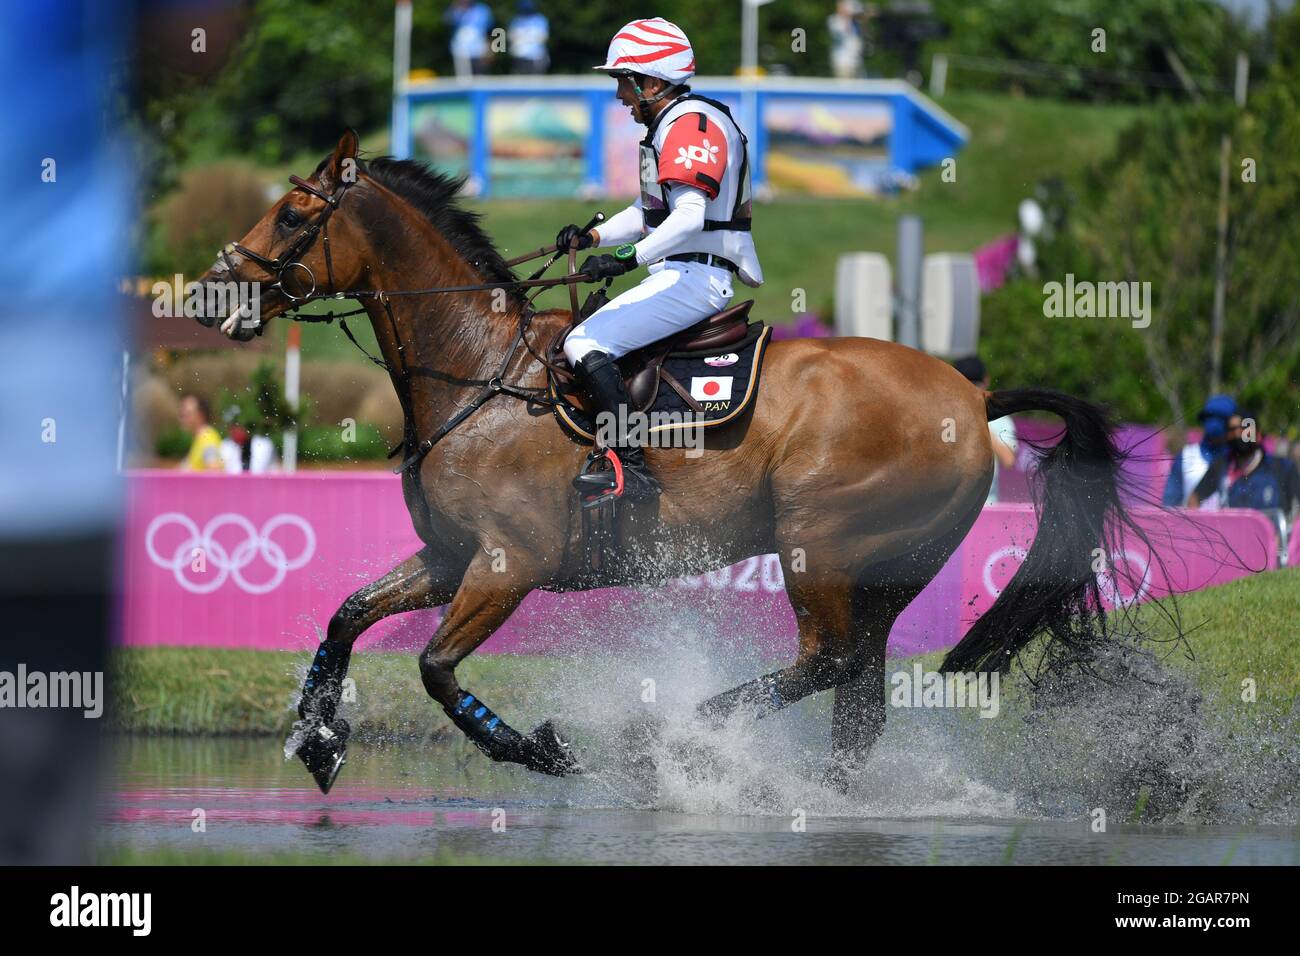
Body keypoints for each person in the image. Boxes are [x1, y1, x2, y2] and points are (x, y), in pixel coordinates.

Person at [556, 17, 763, 500]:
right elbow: (648, 213)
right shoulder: (671, 124)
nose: (620, 97)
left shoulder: (692, 124)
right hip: (681, 271)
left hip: (698, 278)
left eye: (623, 84)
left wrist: (628, 258)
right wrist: (592, 238)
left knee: (584, 343)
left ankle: (628, 467)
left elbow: (688, 216)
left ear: (651, 82)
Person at [1188, 412, 1300, 516]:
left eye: (1245, 429)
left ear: (1258, 434)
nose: (1238, 434)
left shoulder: (1282, 467)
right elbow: (1194, 498)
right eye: (1232, 430)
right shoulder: (1221, 466)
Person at [952, 356, 1016, 505]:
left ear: (986, 381)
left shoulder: (1000, 419)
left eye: (976, 385)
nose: (972, 392)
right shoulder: (946, 418)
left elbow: (1009, 460)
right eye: (966, 385)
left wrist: (978, 423)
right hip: (952, 507)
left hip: (987, 506)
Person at [1162, 394, 1236, 507]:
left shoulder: (1237, 459)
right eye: (1210, 418)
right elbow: (1169, 505)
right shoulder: (1186, 456)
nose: (1214, 424)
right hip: (1192, 523)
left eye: (1220, 419)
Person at [444, 0, 493, 78]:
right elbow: (447, 22)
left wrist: (490, 50)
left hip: (479, 51)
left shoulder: (483, 10)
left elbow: (489, 32)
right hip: (461, 53)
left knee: (481, 78)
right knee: (464, 80)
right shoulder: (455, 10)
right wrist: (457, 7)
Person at [178, 393, 224, 471]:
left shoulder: (207, 438)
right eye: (181, 414)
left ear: (201, 415)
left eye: (187, 414)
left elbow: (214, 470)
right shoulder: (200, 438)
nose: (182, 419)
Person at [508, 0, 549, 74]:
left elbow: (543, 37)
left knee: (535, 81)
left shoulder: (540, 20)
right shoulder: (516, 20)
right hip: (519, 56)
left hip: (536, 57)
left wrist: (523, 38)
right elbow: (511, 37)